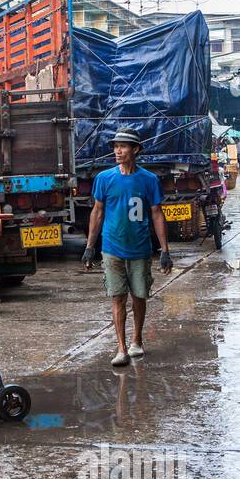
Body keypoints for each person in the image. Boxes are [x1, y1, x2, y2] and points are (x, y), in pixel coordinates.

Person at [81, 127, 173, 367]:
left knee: (139, 297)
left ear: (136, 150)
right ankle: (121, 348)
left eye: (123, 146)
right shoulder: (105, 179)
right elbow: (98, 212)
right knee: (117, 297)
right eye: (115, 146)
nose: (118, 151)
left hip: (140, 249)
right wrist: (90, 246)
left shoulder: (148, 180)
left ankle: (137, 339)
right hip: (112, 248)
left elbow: (157, 214)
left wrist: (165, 250)